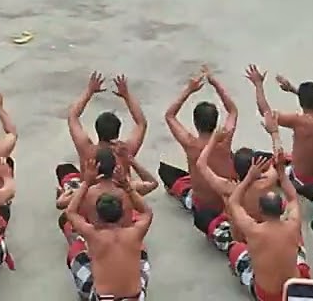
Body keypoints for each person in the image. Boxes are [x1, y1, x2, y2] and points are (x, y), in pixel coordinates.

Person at [62, 157, 154, 301]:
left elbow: (70, 212)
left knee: (77, 255)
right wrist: (127, 186)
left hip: (104, 298)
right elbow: (147, 212)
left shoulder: (92, 234)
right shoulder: (135, 232)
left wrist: (86, 182)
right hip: (135, 298)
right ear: (122, 213)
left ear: (98, 215)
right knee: (142, 254)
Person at [159, 71, 238, 222]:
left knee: (167, 173)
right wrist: (216, 85)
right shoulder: (225, 138)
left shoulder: (190, 143)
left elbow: (169, 115)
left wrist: (189, 89)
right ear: (216, 122)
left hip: (203, 205)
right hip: (227, 198)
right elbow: (233, 111)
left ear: (195, 123)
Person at [224, 156, 306, 301]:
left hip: (268, 297)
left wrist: (249, 177)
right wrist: (281, 173)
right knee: (299, 245)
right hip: (295, 291)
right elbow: (293, 198)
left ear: (260, 210)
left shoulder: (253, 230)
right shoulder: (293, 224)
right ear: (282, 208)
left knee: (235, 249)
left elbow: (233, 202)